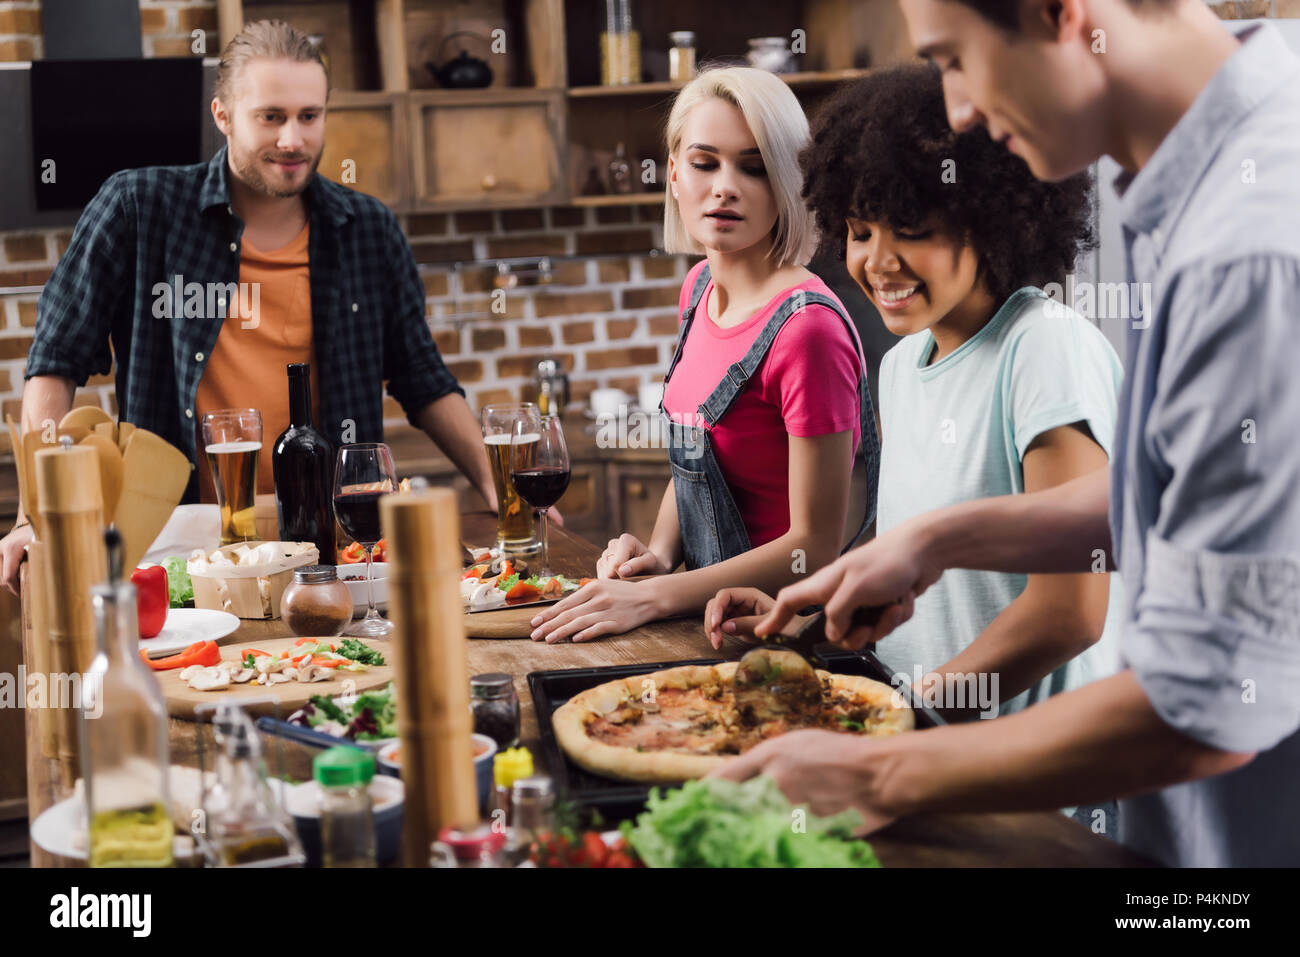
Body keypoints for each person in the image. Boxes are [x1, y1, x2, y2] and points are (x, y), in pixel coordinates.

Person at [712, 0, 1300, 868]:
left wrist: (880, 768)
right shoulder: (1207, 183)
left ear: (1060, 12)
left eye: (954, 59)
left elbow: (1204, 707)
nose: (956, 111)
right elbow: (1174, 492)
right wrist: (933, 540)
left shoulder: (1248, 249)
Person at [0, 19, 496, 592]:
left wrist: (498, 488)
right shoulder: (137, 207)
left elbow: (423, 379)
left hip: (329, 549)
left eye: (309, 116)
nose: (293, 139)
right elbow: (56, 362)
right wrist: (33, 517)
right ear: (223, 116)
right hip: (174, 546)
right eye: (271, 117)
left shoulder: (368, 230)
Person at [709, 65, 1123, 738]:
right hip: (926, 755)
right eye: (861, 229)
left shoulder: (1044, 348)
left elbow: (1070, 610)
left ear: (990, 220)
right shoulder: (901, 366)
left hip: (1025, 781)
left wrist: (903, 719)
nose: (879, 260)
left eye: (911, 227)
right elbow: (908, 550)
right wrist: (805, 615)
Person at [528, 67, 879, 644]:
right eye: (704, 162)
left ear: (791, 181)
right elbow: (697, 447)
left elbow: (812, 548)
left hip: (778, 638)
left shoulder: (807, 328)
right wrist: (659, 557)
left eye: (754, 166)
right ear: (672, 173)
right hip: (703, 621)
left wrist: (654, 597)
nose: (725, 187)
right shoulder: (698, 290)